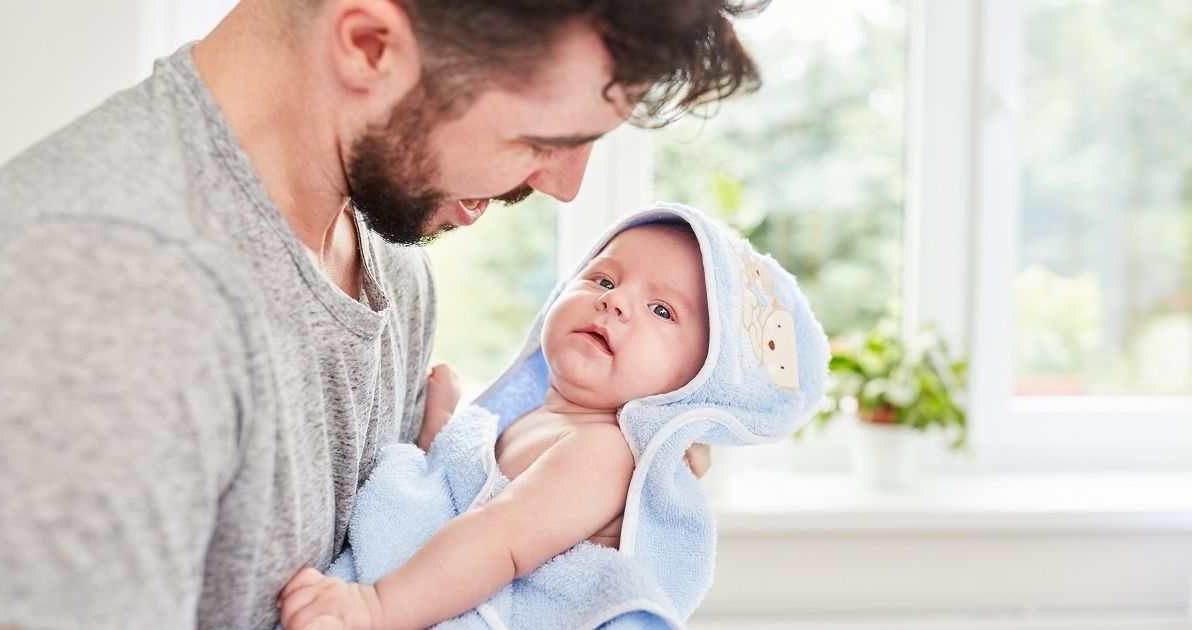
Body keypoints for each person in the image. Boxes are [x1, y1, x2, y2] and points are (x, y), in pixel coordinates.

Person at [0, 1, 768, 628]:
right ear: (368, 46)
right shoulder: (100, 287)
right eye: (543, 139)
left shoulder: (394, 269)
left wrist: (567, 530)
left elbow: (405, 543)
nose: (567, 188)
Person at [276, 204, 830, 629]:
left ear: (697, 381)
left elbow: (499, 539)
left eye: (662, 310)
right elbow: (459, 494)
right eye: (605, 280)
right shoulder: (542, 418)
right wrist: (438, 432)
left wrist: (374, 607)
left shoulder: (605, 452)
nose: (615, 302)